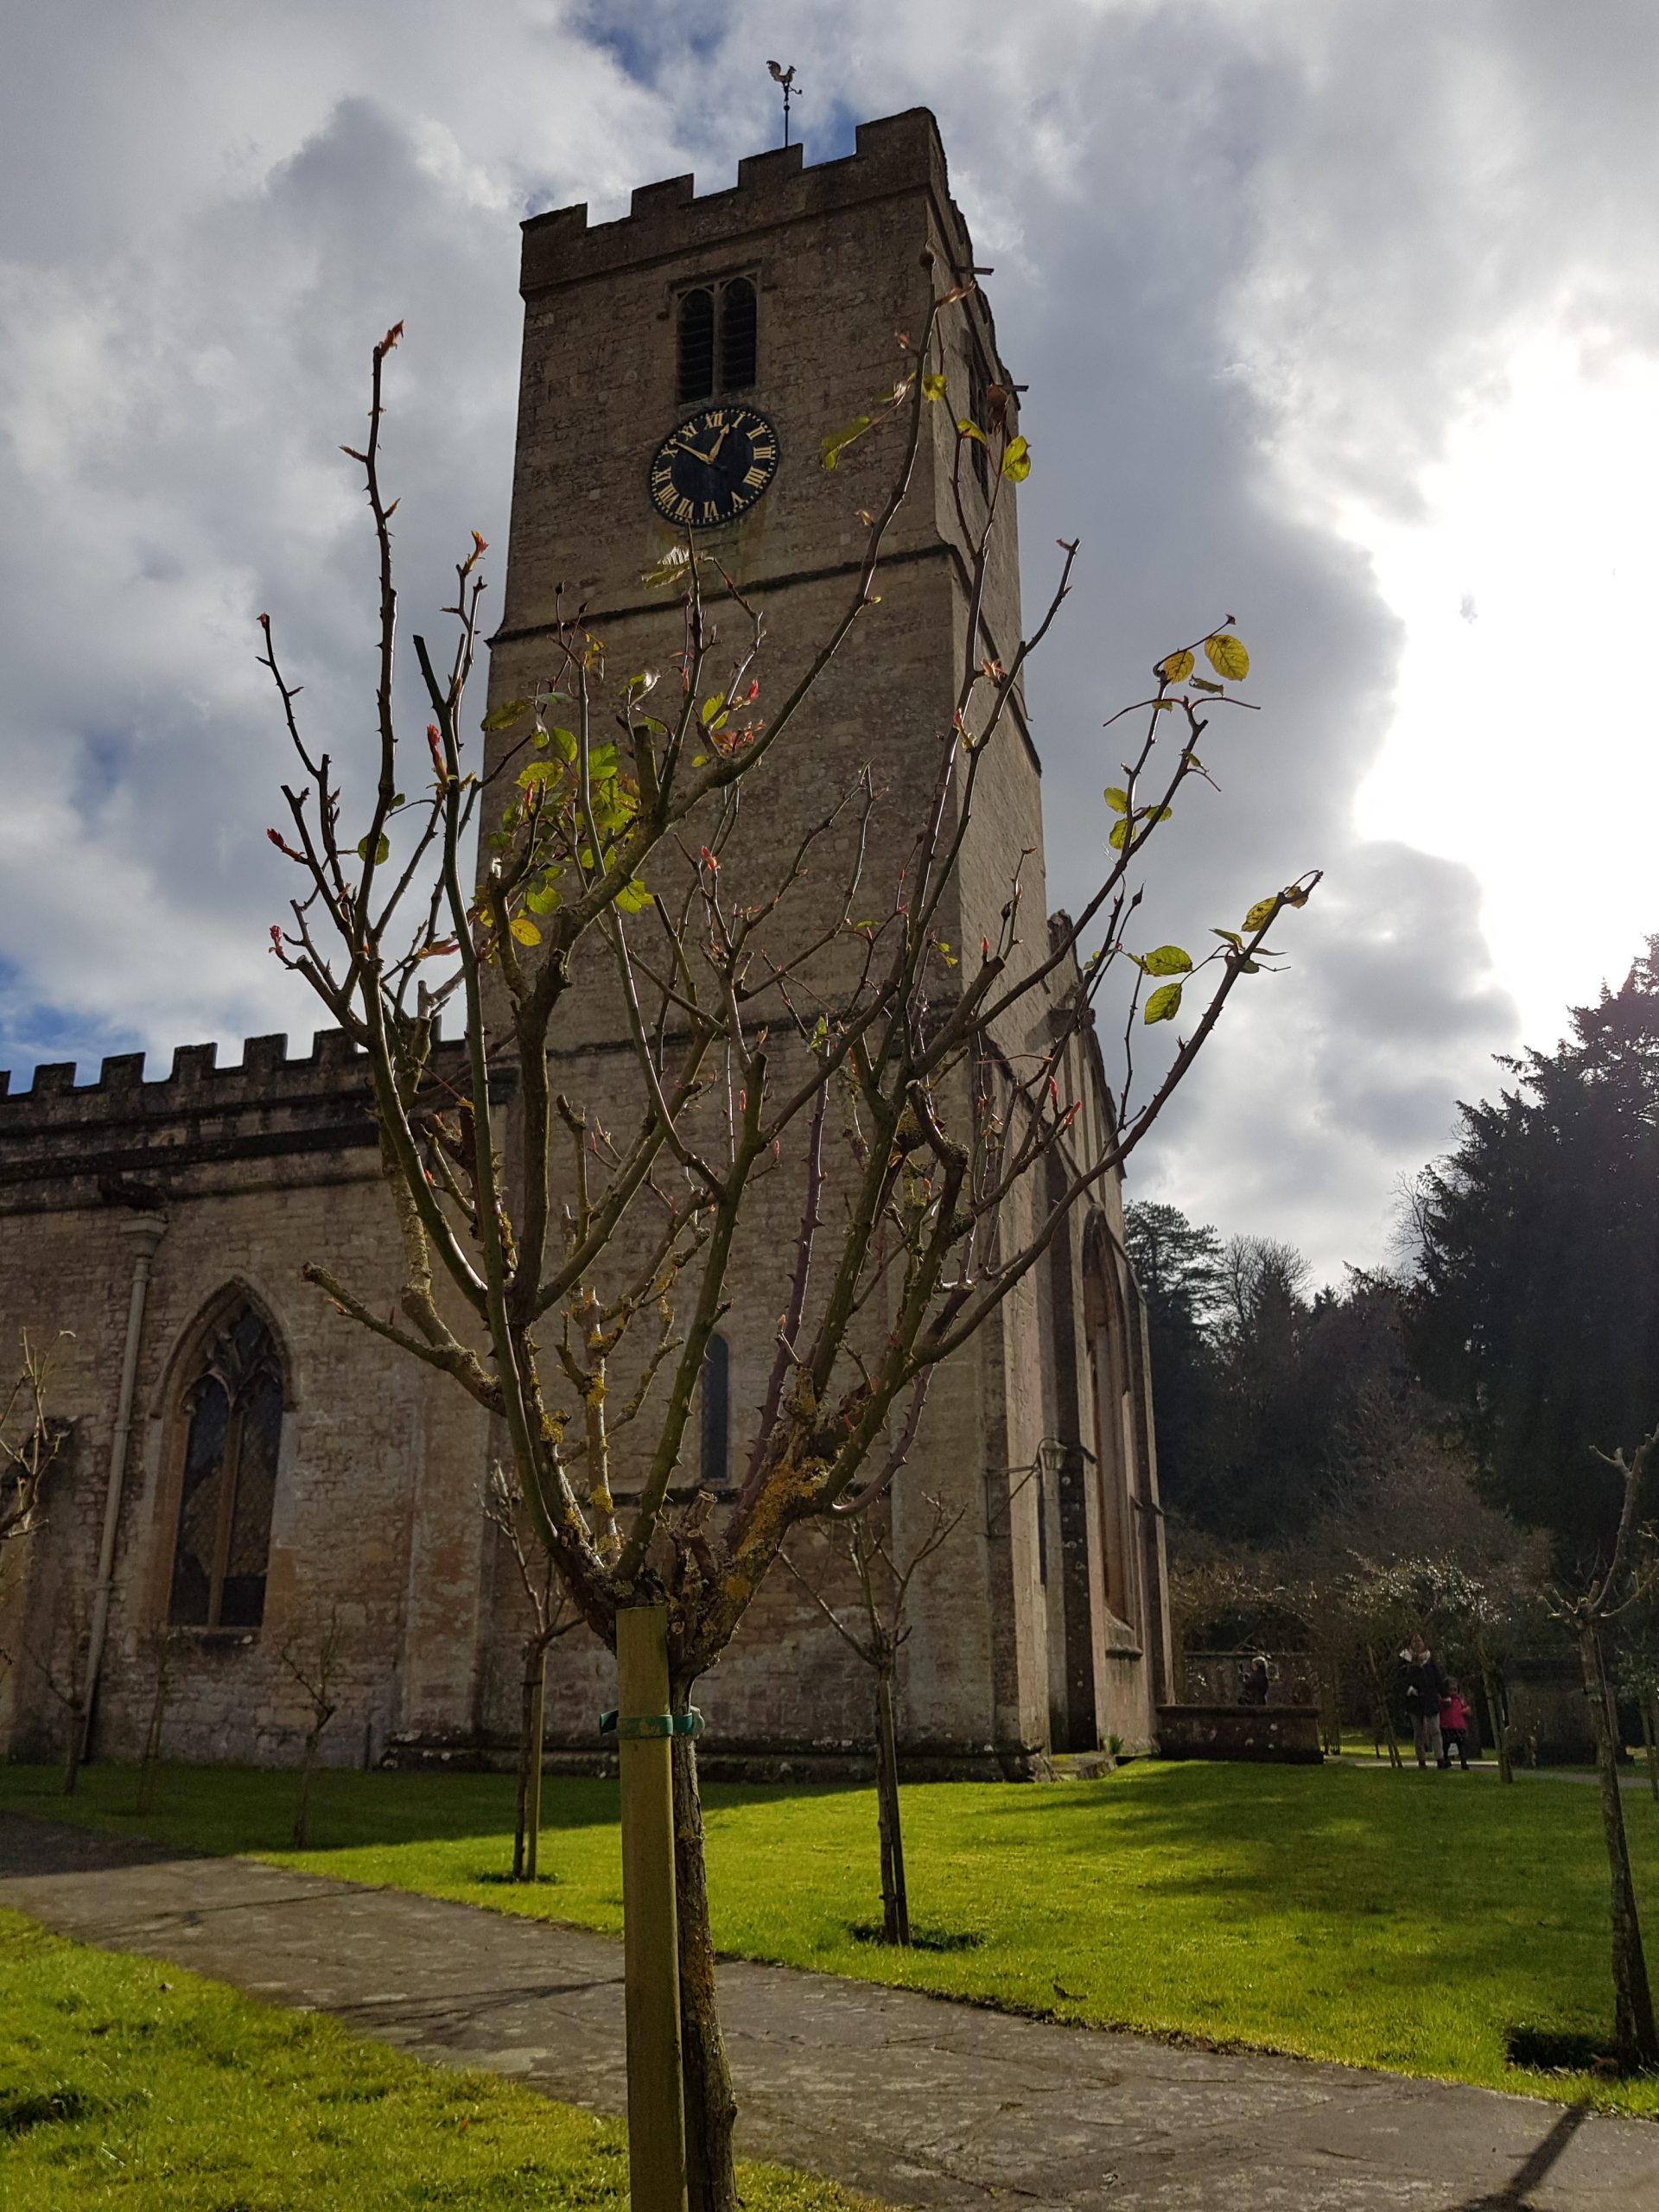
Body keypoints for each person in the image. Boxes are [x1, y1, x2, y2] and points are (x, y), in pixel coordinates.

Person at [1401, 1632, 1446, 1769]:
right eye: (1414, 1641)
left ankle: (1440, 1758)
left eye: (1419, 1640)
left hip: (1430, 1698)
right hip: (1415, 1700)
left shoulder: (1430, 1660)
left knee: (1435, 1730)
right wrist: (1409, 1689)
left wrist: (1445, 1695)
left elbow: (1438, 1678)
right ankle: (1421, 1760)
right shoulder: (1405, 1660)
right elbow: (1399, 1678)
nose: (1417, 1643)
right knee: (1418, 1731)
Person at [1439, 1679, 1472, 1770]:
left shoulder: (1460, 1700)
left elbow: (1467, 1710)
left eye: (1455, 1690)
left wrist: (1466, 1711)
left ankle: (1464, 1762)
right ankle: (1446, 1760)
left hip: (1459, 1726)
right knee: (1446, 1745)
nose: (1453, 1692)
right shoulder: (1445, 1701)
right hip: (1447, 1726)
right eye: (1451, 1690)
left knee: (1461, 1745)